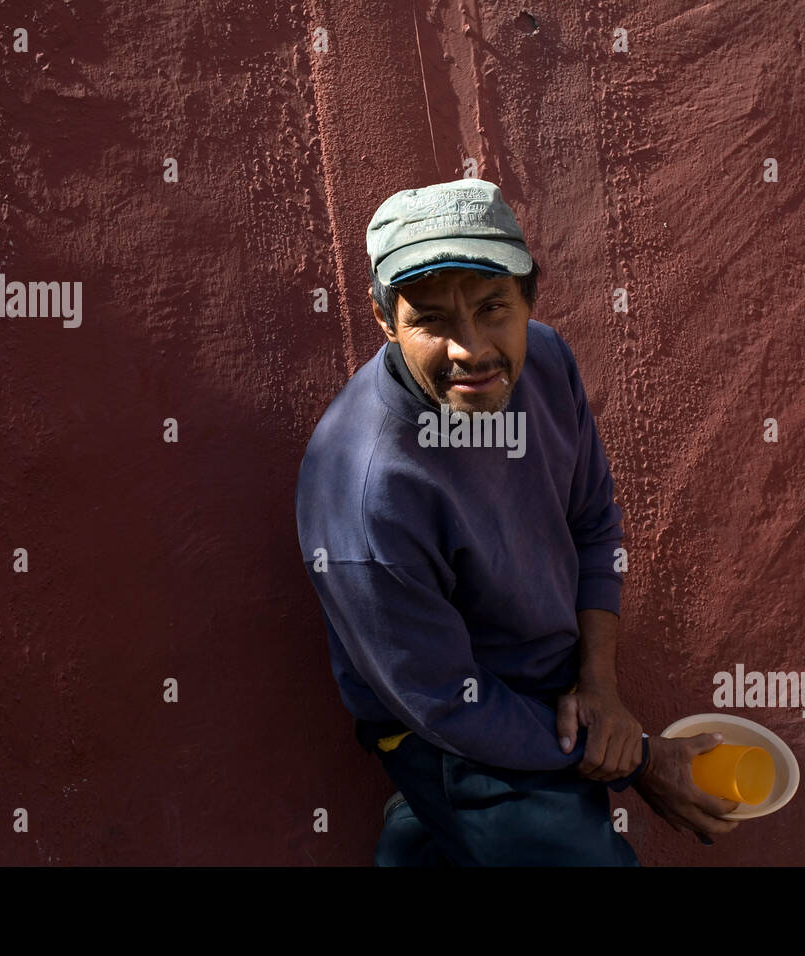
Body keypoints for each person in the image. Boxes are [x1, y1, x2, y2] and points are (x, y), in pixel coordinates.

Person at [295, 178, 741, 865]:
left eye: (493, 307)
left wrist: (599, 685)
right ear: (386, 321)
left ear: (530, 296)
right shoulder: (369, 492)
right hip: (448, 726)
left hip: (557, 688)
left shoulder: (548, 362)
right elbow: (443, 699)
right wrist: (636, 760)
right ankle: (437, 801)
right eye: (431, 320)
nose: (470, 349)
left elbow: (593, 523)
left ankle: (425, 833)